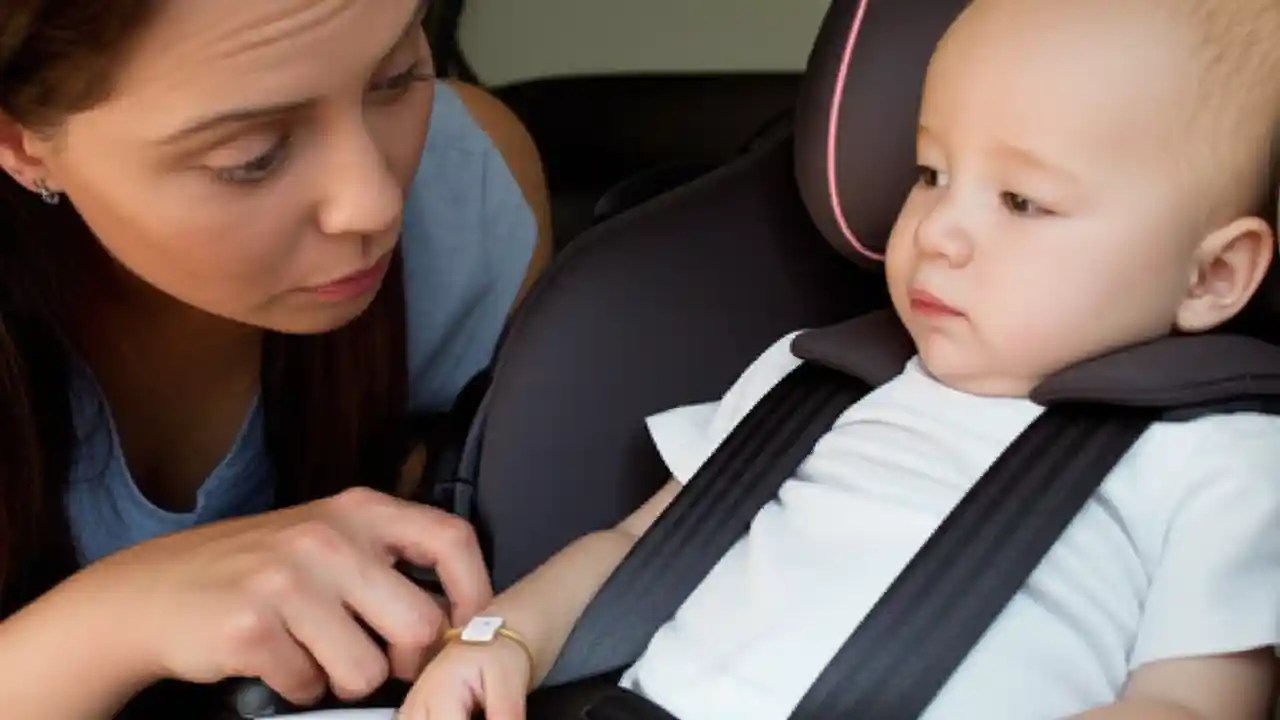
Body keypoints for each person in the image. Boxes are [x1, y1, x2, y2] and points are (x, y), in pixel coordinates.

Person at [401, 0, 1280, 718]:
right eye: (931, 173)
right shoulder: (813, 382)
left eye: (1022, 200)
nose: (937, 231)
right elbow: (634, 547)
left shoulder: (1221, 461)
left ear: (1213, 276)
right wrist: (498, 639)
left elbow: (1193, 703)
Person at [0, 0, 553, 717]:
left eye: (395, 77)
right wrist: (111, 623)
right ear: (21, 144)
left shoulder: (462, 201)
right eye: (251, 157)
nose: (374, 204)